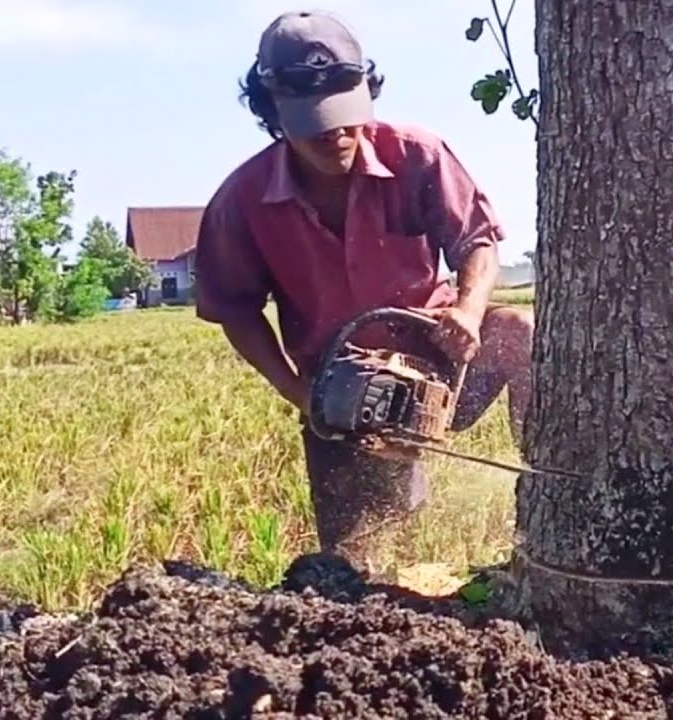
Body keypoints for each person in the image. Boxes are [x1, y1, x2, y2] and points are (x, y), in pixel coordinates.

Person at [193, 10, 534, 577]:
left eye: (346, 118)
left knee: (517, 335)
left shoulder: (417, 156)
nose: (337, 136)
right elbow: (236, 311)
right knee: (356, 568)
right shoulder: (241, 203)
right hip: (345, 395)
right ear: (275, 116)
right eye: (316, 126)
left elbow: (478, 239)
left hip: (444, 360)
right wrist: (301, 394)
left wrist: (469, 312)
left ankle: (543, 498)